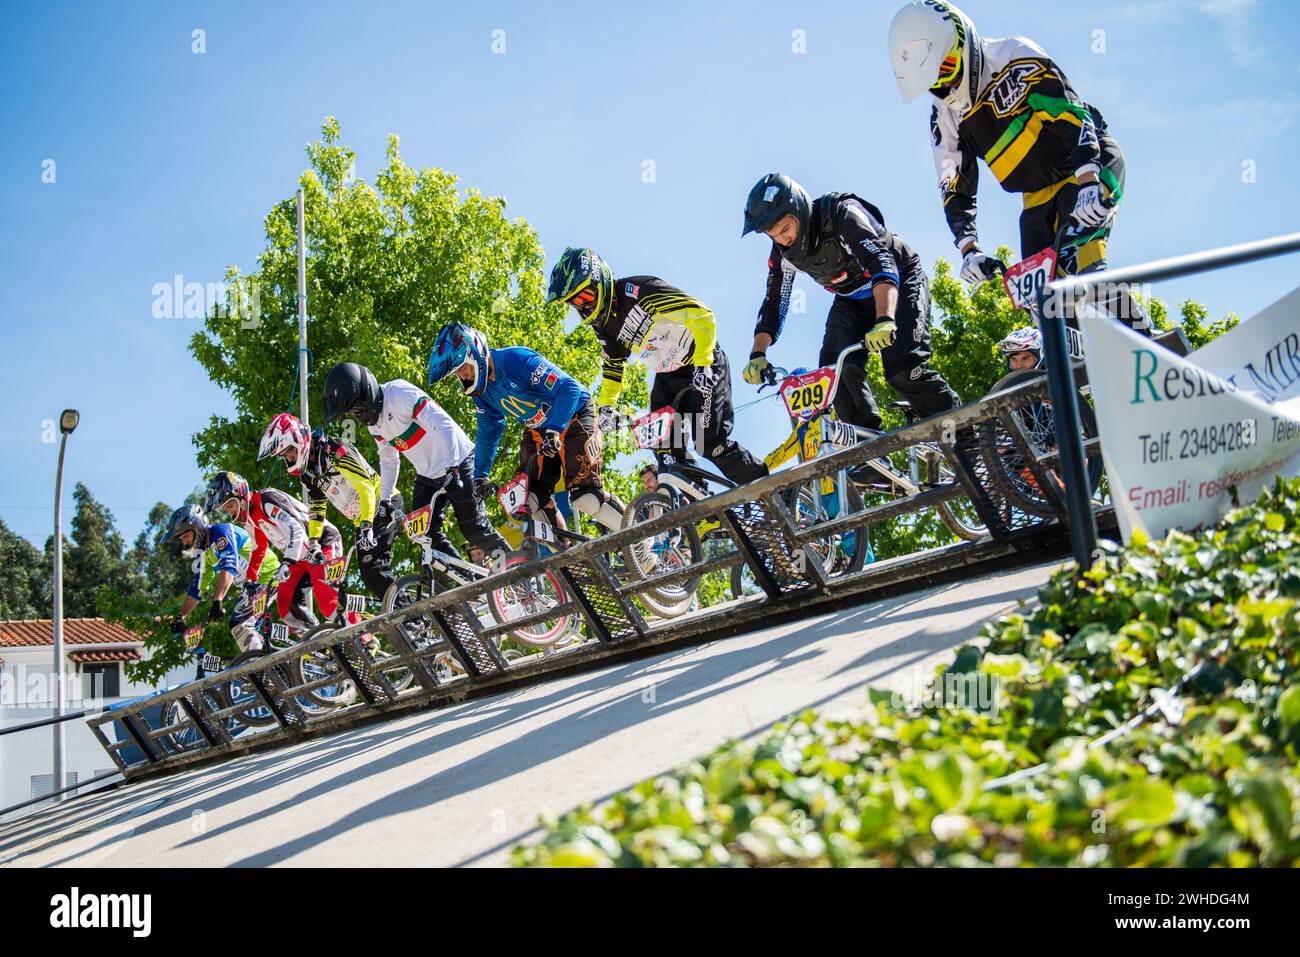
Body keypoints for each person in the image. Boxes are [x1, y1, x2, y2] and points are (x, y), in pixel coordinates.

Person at [887, 0, 1149, 332]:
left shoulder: (1014, 55)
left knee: (1083, 262)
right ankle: (1073, 358)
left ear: (963, 42)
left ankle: (1147, 340)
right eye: (933, 80)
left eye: (947, 68)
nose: (946, 85)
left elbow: (1068, 112)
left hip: (1085, 163)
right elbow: (953, 184)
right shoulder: (945, 116)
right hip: (1036, 194)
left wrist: (1088, 179)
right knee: (1041, 302)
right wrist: (969, 250)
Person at [740, 172, 961, 433]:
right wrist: (758, 354)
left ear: (799, 210)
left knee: (903, 369)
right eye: (773, 235)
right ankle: (868, 447)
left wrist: (885, 319)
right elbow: (775, 301)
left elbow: (882, 261)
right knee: (834, 374)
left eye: (785, 229)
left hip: (898, 282)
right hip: (851, 300)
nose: (783, 240)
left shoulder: (841, 214)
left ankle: (965, 434)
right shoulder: (782, 255)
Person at [545, 246, 768, 486]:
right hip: (667, 379)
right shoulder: (603, 324)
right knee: (664, 451)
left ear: (601, 281)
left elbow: (702, 315)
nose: (583, 306)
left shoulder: (639, 291)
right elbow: (613, 367)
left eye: (585, 296)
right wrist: (607, 406)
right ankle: (699, 503)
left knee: (710, 445)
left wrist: (704, 364)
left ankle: (772, 488)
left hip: (701, 363)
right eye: (575, 302)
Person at [427, 322, 625, 531]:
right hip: (539, 429)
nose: (463, 376)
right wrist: (480, 475)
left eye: (462, 369)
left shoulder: (514, 359)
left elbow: (569, 389)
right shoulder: (481, 392)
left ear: (475, 354)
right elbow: (488, 430)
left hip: (573, 415)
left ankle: (640, 536)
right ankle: (568, 550)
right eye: (457, 374)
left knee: (586, 499)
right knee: (529, 499)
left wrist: (554, 431)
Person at [320, 362, 509, 564]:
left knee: (473, 528)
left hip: (457, 459)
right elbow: (389, 459)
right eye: (351, 412)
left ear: (367, 391)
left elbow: (443, 424)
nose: (357, 414)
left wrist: (452, 468)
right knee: (424, 536)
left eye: (356, 407)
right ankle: (469, 579)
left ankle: (521, 569)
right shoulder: (375, 425)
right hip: (428, 474)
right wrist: (385, 499)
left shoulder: (399, 394)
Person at [255, 413, 398, 600]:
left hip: (382, 502)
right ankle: (402, 607)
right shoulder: (307, 473)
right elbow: (317, 506)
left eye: (288, 451)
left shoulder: (334, 450)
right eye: (283, 455)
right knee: (369, 576)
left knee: (375, 566)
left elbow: (365, 487)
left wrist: (366, 525)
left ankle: (409, 609)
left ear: (298, 440)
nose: (288, 458)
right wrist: (314, 542)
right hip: (363, 521)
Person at [204, 471, 342, 634]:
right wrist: (250, 580)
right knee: (286, 606)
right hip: (299, 557)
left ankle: (363, 637)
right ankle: (317, 638)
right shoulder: (249, 518)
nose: (230, 513)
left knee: (328, 601)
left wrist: (287, 562)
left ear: (240, 495)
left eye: (230, 506)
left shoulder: (267, 500)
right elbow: (258, 548)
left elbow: (296, 529)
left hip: (321, 543)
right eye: (226, 509)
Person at [163, 503, 281, 652]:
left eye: (186, 536)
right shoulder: (204, 553)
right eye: (181, 539)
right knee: (244, 631)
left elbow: (229, 566)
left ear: (197, 527)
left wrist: (218, 600)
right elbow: (198, 587)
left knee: (239, 624)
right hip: (252, 587)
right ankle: (272, 661)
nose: (184, 542)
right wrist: (181, 616)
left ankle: (261, 662)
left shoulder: (222, 532)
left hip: (267, 576)